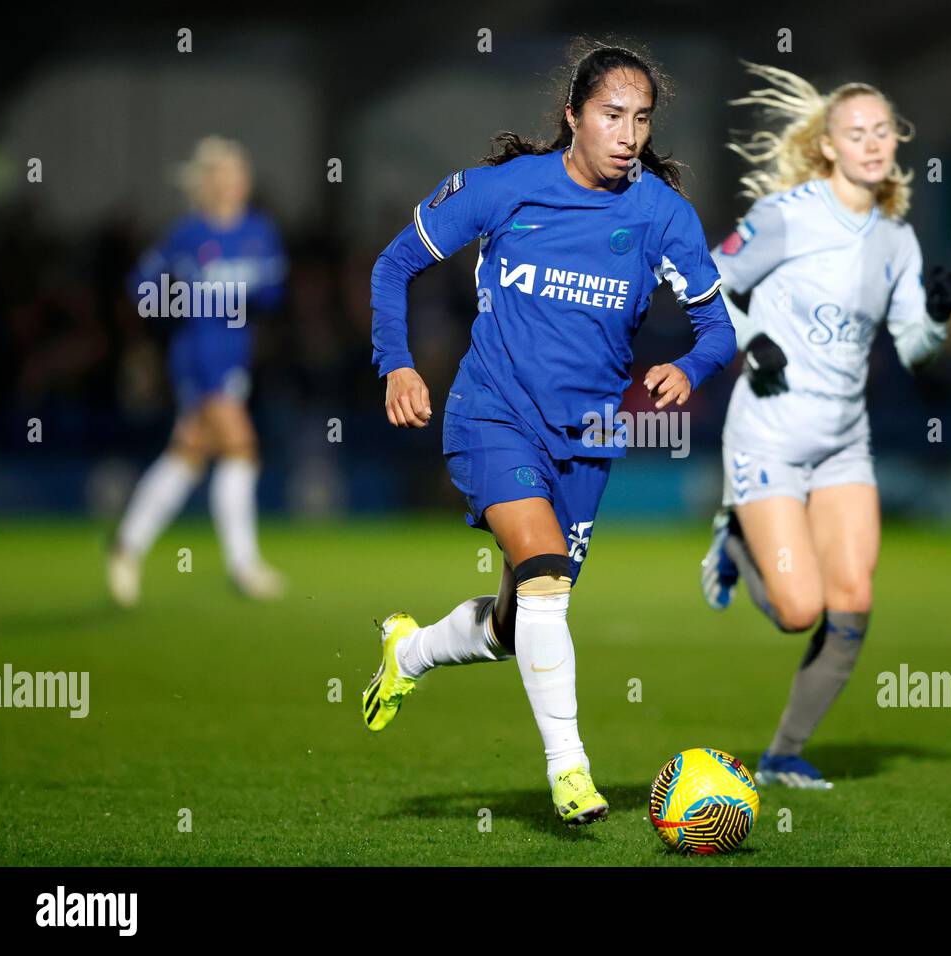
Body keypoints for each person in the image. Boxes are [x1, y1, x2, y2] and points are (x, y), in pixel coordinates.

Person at [363, 42, 736, 825]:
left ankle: (411, 651)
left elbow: (718, 330)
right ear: (573, 116)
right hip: (492, 414)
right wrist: (396, 365)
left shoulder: (662, 215)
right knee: (544, 576)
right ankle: (570, 771)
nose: (628, 135)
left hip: (590, 436)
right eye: (612, 115)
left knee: (518, 622)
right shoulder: (503, 190)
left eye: (641, 119)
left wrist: (689, 369)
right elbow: (393, 266)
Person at [700, 63, 951, 789]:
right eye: (856, 133)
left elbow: (913, 350)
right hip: (770, 435)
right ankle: (735, 539)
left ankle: (783, 754)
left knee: (853, 600)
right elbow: (707, 281)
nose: (872, 143)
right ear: (827, 146)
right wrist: (750, 340)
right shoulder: (787, 215)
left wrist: (938, 316)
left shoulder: (896, 240)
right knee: (799, 610)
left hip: (845, 443)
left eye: (883, 131)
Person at [108, 136, 287, 606]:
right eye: (222, 174)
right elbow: (141, 286)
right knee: (241, 448)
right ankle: (243, 565)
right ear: (206, 182)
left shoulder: (259, 232)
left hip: (236, 355)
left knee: (186, 458)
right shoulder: (187, 235)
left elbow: (271, 295)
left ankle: (126, 545)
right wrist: (173, 314)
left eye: (237, 173)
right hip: (199, 356)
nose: (232, 183)